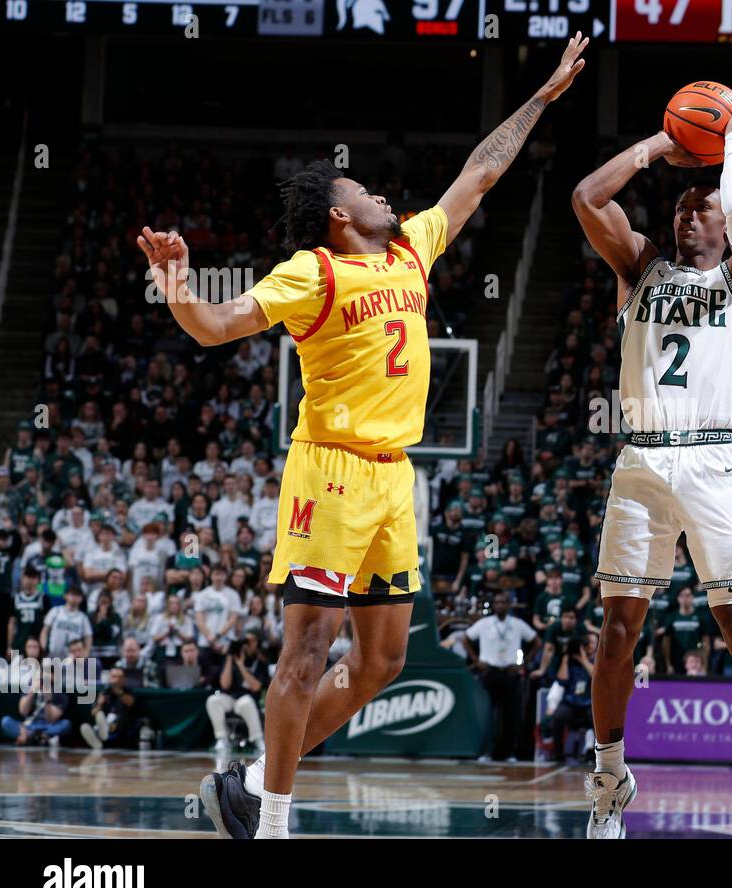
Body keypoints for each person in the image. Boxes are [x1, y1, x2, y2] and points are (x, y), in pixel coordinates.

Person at [145, 36, 589, 840]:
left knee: (382, 662)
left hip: (394, 479)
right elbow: (214, 326)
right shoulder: (311, 270)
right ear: (340, 215)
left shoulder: (411, 249)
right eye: (367, 193)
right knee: (307, 651)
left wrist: (544, 98)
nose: (387, 197)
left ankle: (246, 781)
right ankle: (273, 823)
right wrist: (176, 282)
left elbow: (480, 173)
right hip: (330, 472)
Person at [573, 94, 732, 838]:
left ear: (728, 220)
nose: (688, 214)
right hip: (640, 462)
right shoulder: (638, 266)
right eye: (682, 207)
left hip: (714, 462)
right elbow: (586, 196)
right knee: (618, 632)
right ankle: (608, 780)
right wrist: (662, 143)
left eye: (705, 207)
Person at [443, 592, 538, 762]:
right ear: (494, 605)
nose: (500, 605)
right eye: (497, 602)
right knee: (487, 714)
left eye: (503, 602)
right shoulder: (484, 623)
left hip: (509, 672)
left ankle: (507, 753)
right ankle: (486, 751)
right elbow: (465, 639)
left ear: (509, 605)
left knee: (510, 714)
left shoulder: (517, 624)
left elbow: (536, 641)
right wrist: (476, 660)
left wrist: (522, 664)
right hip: (489, 672)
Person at [206, 632, 269, 754]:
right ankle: (222, 739)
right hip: (230, 698)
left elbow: (256, 687)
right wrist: (230, 658)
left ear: (257, 643)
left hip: (248, 699)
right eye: (246, 641)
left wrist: (241, 665)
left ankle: (257, 740)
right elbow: (225, 685)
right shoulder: (230, 659)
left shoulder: (260, 663)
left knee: (246, 702)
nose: (247, 645)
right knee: (212, 700)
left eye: (251, 641)